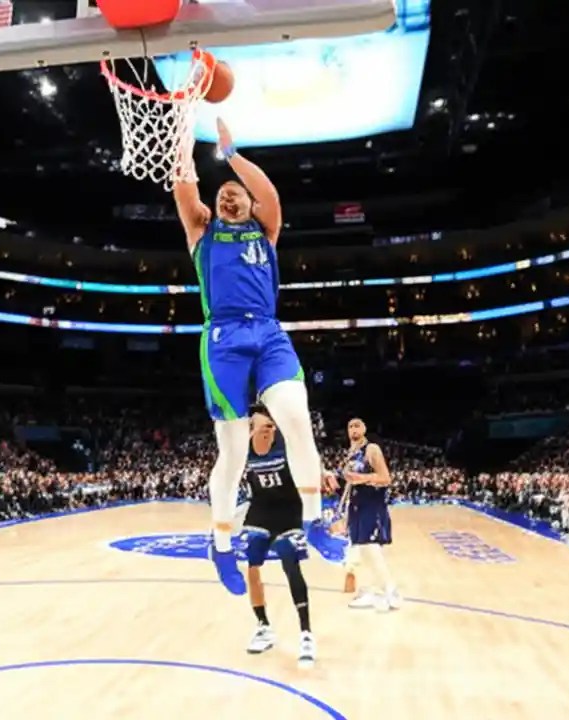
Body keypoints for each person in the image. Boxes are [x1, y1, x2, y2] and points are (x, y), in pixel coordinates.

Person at [173, 117, 334, 595]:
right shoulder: (202, 230)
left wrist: (232, 154)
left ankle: (314, 522)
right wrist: (183, 144)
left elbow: (273, 197)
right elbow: (185, 189)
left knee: (297, 420)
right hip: (222, 338)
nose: (230, 195)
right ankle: (221, 546)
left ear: (249, 201)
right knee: (234, 451)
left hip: (267, 331)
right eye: (223, 193)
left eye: (237, 192)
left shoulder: (267, 228)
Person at [240, 405, 316, 668]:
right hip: (260, 510)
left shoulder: (286, 443)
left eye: (271, 426)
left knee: (289, 563)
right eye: (262, 426)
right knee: (252, 565)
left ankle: (306, 633)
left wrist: (323, 473)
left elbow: (309, 456)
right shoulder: (243, 448)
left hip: (288, 510)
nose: (268, 430)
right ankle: (263, 627)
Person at [339, 418, 402, 611]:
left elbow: (385, 478)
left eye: (357, 425)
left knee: (371, 547)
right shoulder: (350, 455)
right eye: (350, 426)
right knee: (362, 549)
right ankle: (373, 591)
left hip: (371, 504)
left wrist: (362, 478)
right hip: (356, 505)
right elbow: (350, 486)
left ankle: (391, 591)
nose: (354, 429)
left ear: (365, 429)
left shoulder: (371, 449)